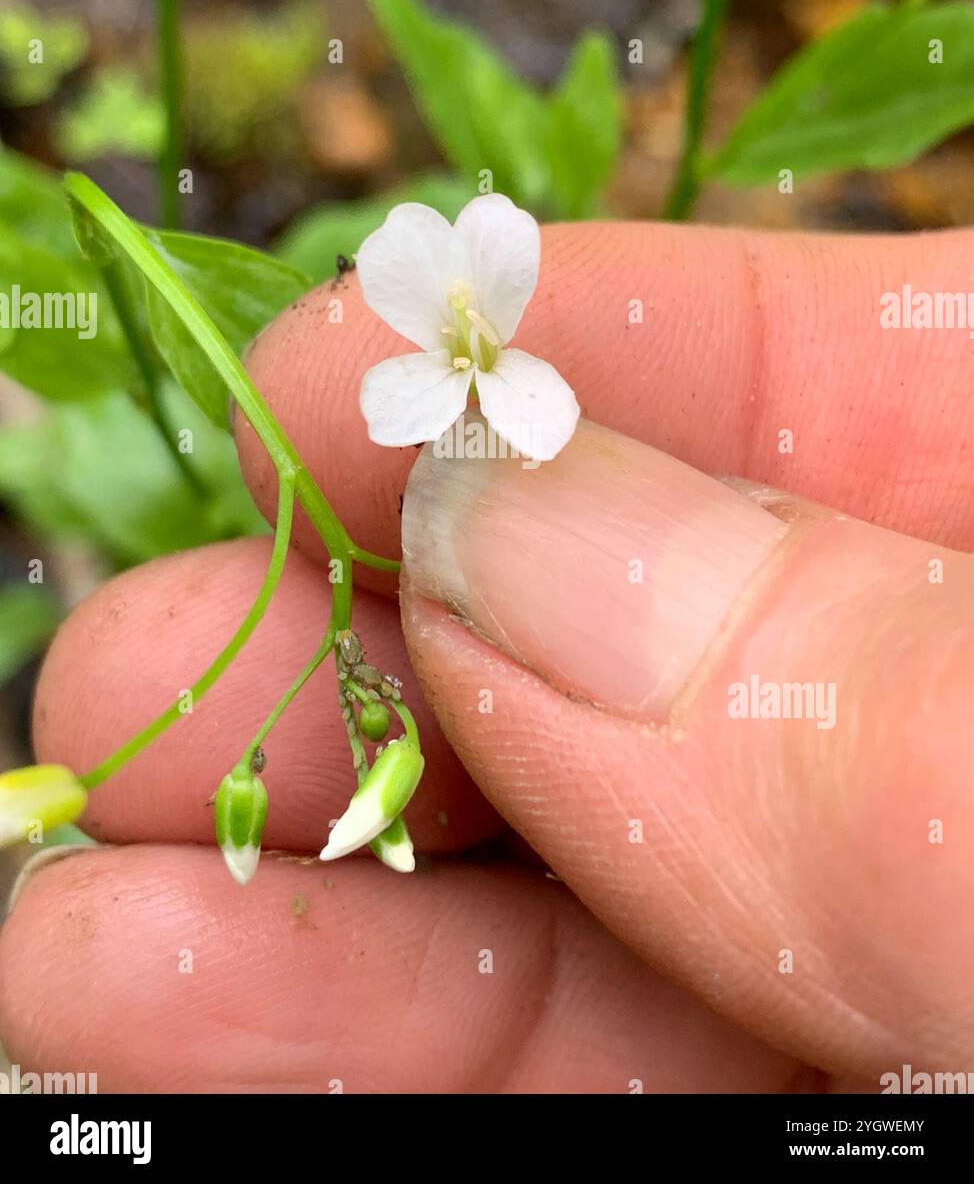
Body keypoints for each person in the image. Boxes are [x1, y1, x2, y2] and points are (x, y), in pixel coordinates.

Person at [2, 220, 971, 1093]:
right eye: (461, 338)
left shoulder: (511, 379)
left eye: (476, 335)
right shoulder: (434, 372)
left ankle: (130, 788)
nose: (470, 341)